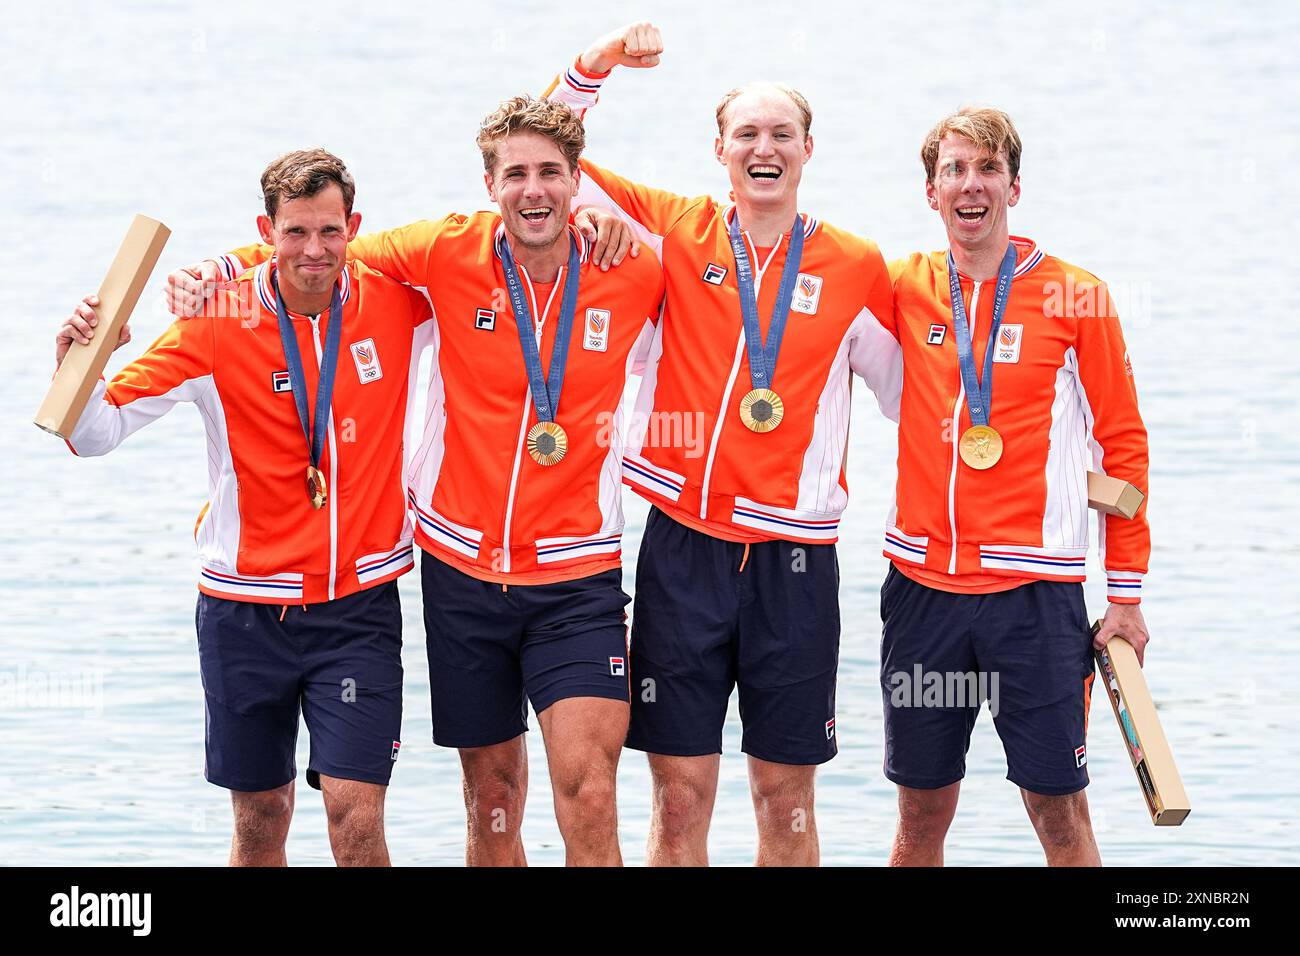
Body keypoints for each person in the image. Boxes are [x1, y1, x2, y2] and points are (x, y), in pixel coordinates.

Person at [170, 97, 663, 866]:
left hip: (577, 574)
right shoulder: (443, 251)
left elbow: (719, 318)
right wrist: (223, 266)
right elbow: (318, 249)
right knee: (494, 796)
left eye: (552, 174)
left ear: (578, 185)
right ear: (490, 184)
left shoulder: (633, 268)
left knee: (589, 790)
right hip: (461, 573)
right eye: (516, 174)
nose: (534, 190)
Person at [546, 23, 902, 865]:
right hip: (683, 549)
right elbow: (549, 152)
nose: (764, 147)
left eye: (782, 134)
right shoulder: (676, 230)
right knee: (679, 799)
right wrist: (593, 67)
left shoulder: (855, 265)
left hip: (795, 564)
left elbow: (918, 401)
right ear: (719, 150)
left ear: (808, 150)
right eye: (747, 133)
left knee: (786, 804)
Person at [52, 149, 432, 866]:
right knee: (261, 819)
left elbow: (498, 269)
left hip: (359, 606)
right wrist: (78, 358)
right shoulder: (214, 322)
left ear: (354, 227)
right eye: (295, 233)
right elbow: (94, 433)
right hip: (242, 612)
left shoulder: (398, 304)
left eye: (330, 231)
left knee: (356, 819)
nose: (314, 251)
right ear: (268, 229)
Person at [879, 107, 1151, 865]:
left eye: (987, 170)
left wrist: (1125, 595)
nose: (972, 186)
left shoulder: (1078, 296)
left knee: (1059, 815)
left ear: (1015, 186)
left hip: (1036, 596)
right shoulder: (900, 285)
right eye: (954, 172)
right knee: (919, 816)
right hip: (923, 591)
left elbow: (1122, 447)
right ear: (930, 193)